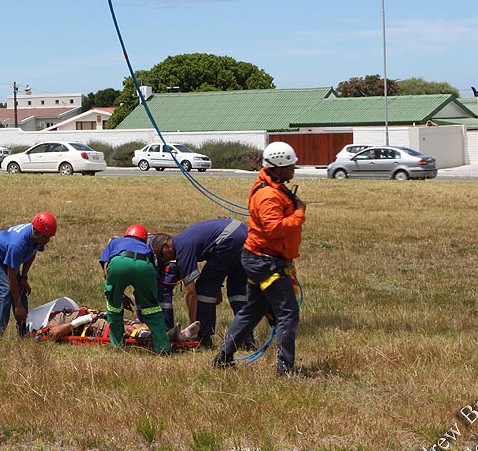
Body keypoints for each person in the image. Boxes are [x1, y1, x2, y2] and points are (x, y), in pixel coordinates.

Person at [213, 142, 306, 375]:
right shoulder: (267, 195)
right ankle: (285, 370)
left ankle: (223, 357)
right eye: (291, 165)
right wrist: (299, 214)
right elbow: (274, 229)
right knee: (287, 314)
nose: (294, 168)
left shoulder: (274, 188)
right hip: (266, 262)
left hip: (262, 259)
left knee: (252, 311)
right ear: (278, 166)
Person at [148, 218, 248, 349]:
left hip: (230, 239)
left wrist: (192, 326)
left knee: (203, 289)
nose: (163, 260)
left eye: (161, 255)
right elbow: (214, 256)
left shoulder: (182, 249)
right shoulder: (185, 239)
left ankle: (203, 337)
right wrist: (217, 287)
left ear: (167, 246)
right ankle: (247, 339)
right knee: (237, 292)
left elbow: (191, 293)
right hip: (244, 234)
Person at [0, 212, 57, 338]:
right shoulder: (17, 245)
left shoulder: (36, 238)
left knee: (21, 289)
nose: (48, 240)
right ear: (36, 233)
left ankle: (23, 333)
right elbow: (11, 277)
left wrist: (24, 277)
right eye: (46, 237)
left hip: (4, 254)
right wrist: (18, 306)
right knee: (5, 292)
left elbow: (33, 252)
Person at [99, 225, 169, 354]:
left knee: (114, 307)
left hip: (119, 262)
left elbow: (106, 268)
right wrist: (149, 296)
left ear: (126, 235)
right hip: (145, 265)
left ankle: (117, 345)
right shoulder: (147, 248)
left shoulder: (115, 241)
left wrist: (117, 294)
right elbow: (154, 276)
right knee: (152, 309)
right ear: (144, 239)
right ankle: (163, 347)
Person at [34, 304, 200, 343]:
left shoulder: (63, 314)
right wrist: (82, 320)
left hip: (95, 319)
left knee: (135, 324)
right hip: (91, 326)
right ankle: (166, 338)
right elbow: (53, 334)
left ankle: (175, 335)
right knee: (124, 329)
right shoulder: (51, 324)